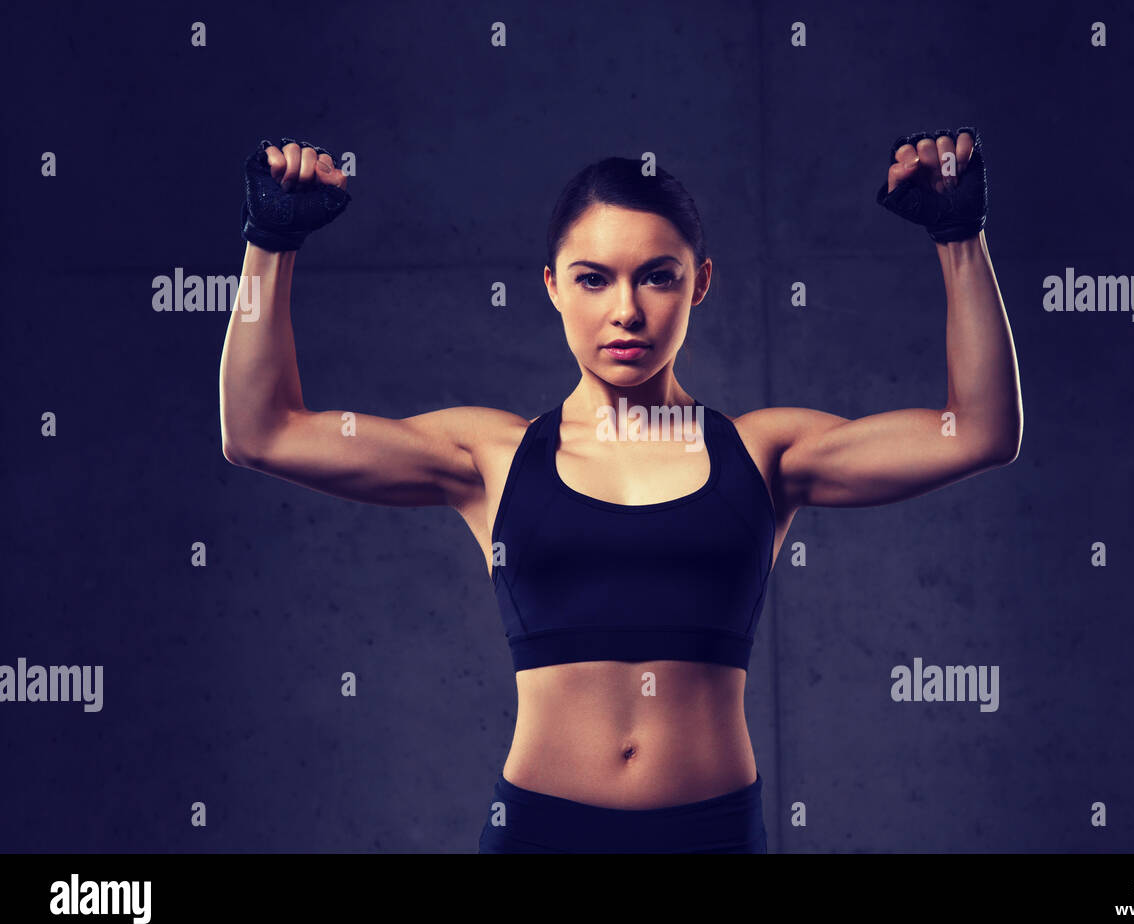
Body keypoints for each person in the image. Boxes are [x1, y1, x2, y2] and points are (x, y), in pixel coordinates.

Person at [220, 129, 1022, 853]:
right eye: (594, 279)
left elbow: (980, 431)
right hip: (540, 833)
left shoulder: (764, 452)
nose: (627, 311)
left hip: (710, 836)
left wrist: (959, 236)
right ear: (553, 286)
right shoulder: (492, 455)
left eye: (658, 277)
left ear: (700, 284)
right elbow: (263, 432)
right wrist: (271, 241)